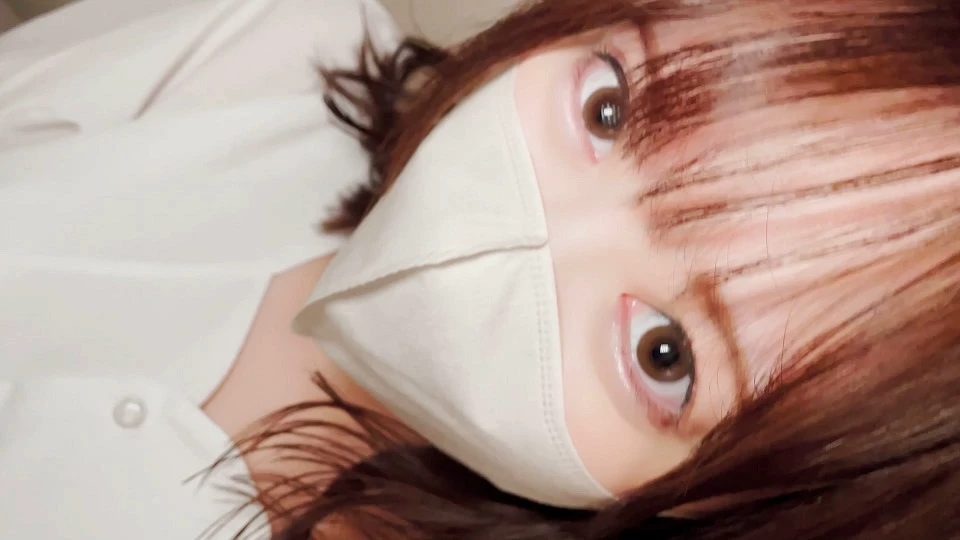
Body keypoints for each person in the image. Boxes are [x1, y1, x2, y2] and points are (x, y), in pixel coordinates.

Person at [1, 0, 957, 539]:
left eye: (664, 353)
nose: (533, 237)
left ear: (723, 495)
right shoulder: (273, 34)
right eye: (611, 112)